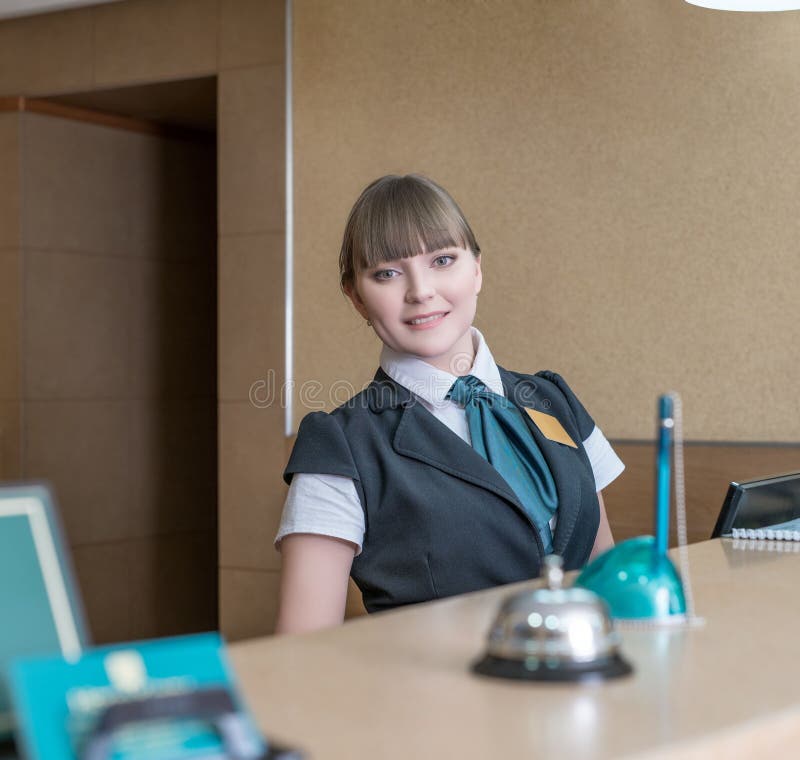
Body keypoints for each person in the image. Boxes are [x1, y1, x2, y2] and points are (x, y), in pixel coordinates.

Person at [274, 174, 623, 634]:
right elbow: (304, 650)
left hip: (585, 689)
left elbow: (605, 581)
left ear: (477, 269)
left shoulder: (554, 400)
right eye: (387, 273)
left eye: (442, 260)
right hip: (441, 701)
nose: (420, 291)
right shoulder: (339, 446)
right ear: (356, 297)